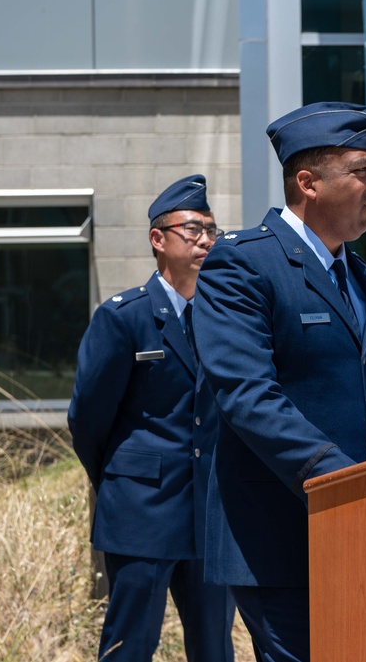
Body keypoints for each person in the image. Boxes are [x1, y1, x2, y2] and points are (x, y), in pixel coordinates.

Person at [193, 102, 366, 662]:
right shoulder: (243, 264)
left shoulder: (358, 275)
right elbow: (248, 396)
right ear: (308, 182)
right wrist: (340, 479)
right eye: (363, 169)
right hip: (278, 534)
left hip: (355, 527)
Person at [68, 174, 236, 662]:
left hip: (209, 511)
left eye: (212, 229)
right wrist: (123, 479)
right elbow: (87, 419)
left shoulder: (224, 314)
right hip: (141, 510)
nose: (206, 239)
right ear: (158, 240)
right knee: (130, 644)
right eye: (193, 229)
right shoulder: (124, 317)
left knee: (214, 646)